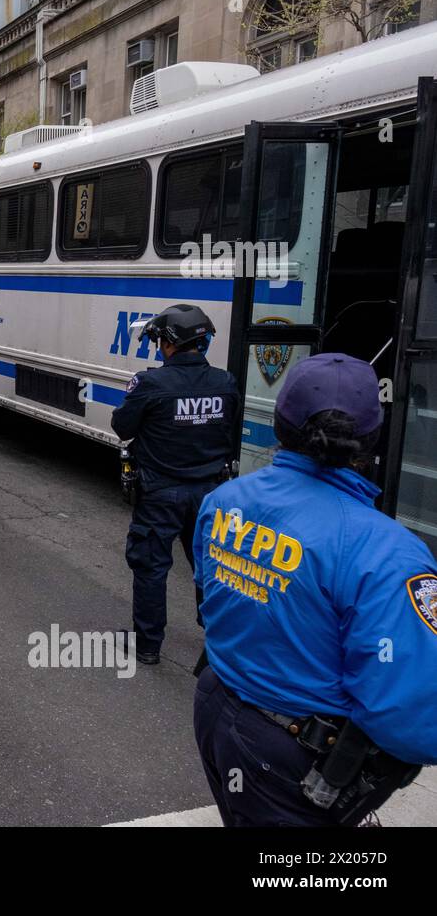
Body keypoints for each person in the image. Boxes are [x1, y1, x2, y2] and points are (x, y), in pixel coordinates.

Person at [193, 353, 437, 826]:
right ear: (369, 439)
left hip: (217, 704)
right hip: (293, 754)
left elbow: (209, 601)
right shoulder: (388, 552)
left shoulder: (226, 500)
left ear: (281, 423)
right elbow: (408, 708)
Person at [110, 304, 238, 666]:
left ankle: (148, 644)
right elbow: (227, 434)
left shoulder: (150, 383)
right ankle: (217, 648)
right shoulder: (225, 383)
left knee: (151, 567)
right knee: (210, 567)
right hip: (211, 493)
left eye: (158, 341)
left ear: (169, 343)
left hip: (160, 492)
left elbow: (123, 427)